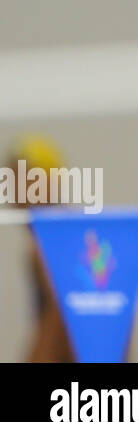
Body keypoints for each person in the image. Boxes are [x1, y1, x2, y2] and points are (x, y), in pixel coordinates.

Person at [4, 134, 76, 363]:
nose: (9, 191)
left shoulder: (49, 242)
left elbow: (62, 316)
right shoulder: (66, 231)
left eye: (18, 179)